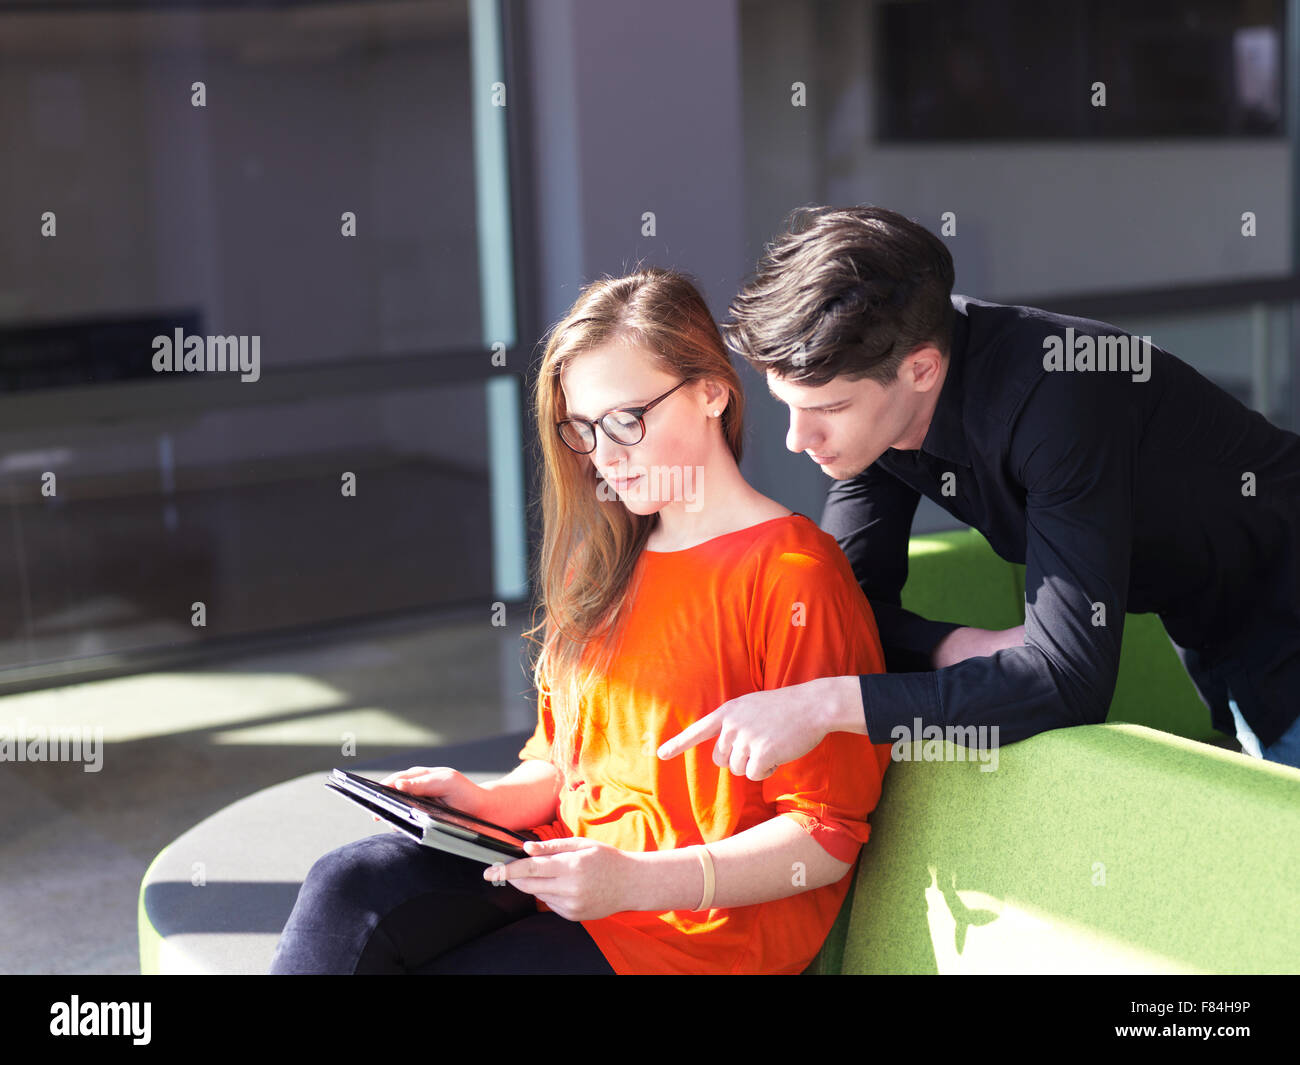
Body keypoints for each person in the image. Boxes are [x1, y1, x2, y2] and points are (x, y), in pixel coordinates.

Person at [269, 267, 893, 975]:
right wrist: (487, 799)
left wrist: (635, 880)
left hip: (693, 927)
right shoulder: (603, 562)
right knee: (346, 885)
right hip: (566, 865)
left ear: (712, 391)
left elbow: (827, 836)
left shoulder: (792, 574)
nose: (605, 454)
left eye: (628, 418)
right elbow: (562, 760)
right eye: (583, 429)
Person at [658, 205, 1300, 777]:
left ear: (921, 370)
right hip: (1223, 631)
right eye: (786, 405)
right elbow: (845, 609)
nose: (799, 439)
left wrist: (830, 705)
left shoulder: (1059, 401)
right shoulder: (881, 402)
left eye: (828, 407)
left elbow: (1066, 683)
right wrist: (952, 644)